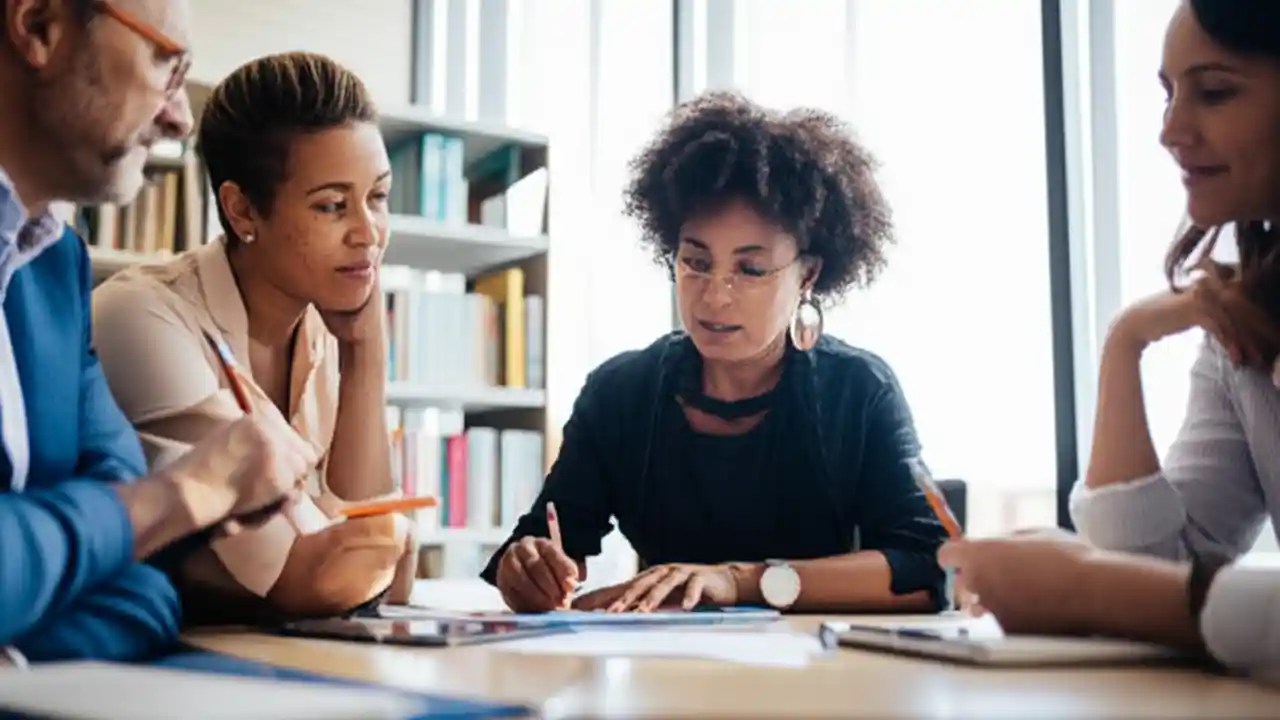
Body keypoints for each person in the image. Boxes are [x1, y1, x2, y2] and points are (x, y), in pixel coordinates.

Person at [483, 92, 950, 614]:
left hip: (818, 678)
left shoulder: (858, 391)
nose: (715, 295)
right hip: (664, 677)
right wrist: (526, 568)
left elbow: (928, 568)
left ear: (808, 275)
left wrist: (740, 581)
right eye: (695, 262)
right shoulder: (621, 394)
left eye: (750, 270)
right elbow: (544, 542)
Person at [943, 0, 1280, 678]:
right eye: (1168, 94)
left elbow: (1140, 593)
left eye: (1214, 92)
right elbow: (1163, 579)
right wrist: (1125, 342)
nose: (1170, 130)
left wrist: (1080, 586)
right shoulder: (1240, 327)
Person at [0, 0, 316, 663]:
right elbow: (138, 518)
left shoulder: (56, 267)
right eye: (165, 64)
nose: (179, 116)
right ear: (37, 26)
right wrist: (183, 493)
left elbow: (141, 580)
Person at [92, 52, 414, 620]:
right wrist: (377, 548)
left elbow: (381, 581)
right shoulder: (142, 318)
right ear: (242, 209)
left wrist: (365, 356)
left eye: (378, 198)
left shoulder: (325, 328)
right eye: (333, 206)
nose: (369, 234)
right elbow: (306, 576)